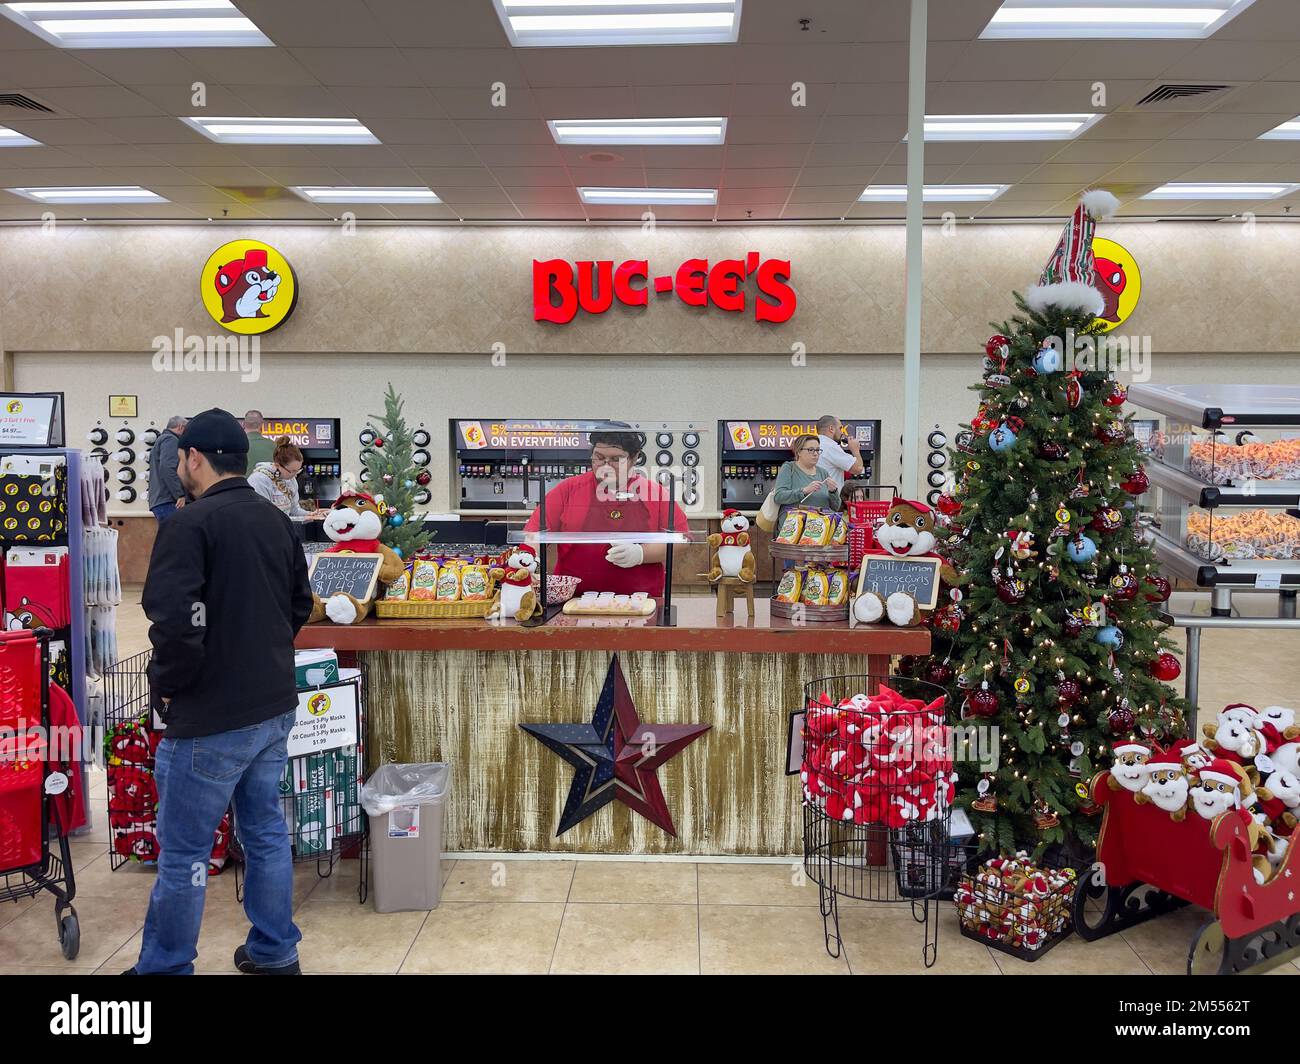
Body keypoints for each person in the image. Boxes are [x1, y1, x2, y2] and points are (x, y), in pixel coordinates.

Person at [128, 408, 313, 976]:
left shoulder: (187, 525)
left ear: (194, 458)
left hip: (209, 719)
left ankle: (164, 968)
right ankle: (275, 952)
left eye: (180, 457)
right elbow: (298, 605)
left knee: (184, 852)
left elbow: (176, 622)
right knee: (264, 832)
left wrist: (170, 689)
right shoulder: (275, 521)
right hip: (273, 706)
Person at [522, 425, 689, 598]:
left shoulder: (655, 493)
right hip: (573, 599)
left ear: (634, 458)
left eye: (616, 459)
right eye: (599, 458)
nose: (606, 465)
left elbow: (681, 539)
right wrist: (528, 562)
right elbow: (534, 534)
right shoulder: (568, 490)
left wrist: (641, 555)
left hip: (641, 600)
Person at [248, 436, 327, 520]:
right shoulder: (259, 481)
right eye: (292, 471)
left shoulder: (290, 480)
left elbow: (294, 511)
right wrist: (305, 518)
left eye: (298, 471)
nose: (295, 475)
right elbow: (266, 517)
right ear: (278, 465)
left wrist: (312, 515)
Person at [774, 434, 842, 516]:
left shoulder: (823, 473)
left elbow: (836, 507)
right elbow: (779, 497)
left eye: (817, 450)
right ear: (799, 452)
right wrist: (804, 491)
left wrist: (833, 492)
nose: (815, 454)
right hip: (795, 525)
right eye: (811, 450)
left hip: (820, 526)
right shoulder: (789, 468)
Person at [147, 415, 188, 522]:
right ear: (180, 427)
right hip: (169, 501)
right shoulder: (170, 440)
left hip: (160, 501)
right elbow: (167, 468)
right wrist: (180, 494)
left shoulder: (161, 440)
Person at [815, 414, 864, 490]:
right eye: (840, 428)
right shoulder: (831, 446)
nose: (842, 432)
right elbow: (858, 468)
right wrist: (855, 450)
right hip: (829, 497)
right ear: (831, 429)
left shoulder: (813, 444)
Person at [243, 409, 274, 475]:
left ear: (244, 424)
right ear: (261, 425)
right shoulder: (273, 446)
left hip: (243, 484)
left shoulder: (236, 446)